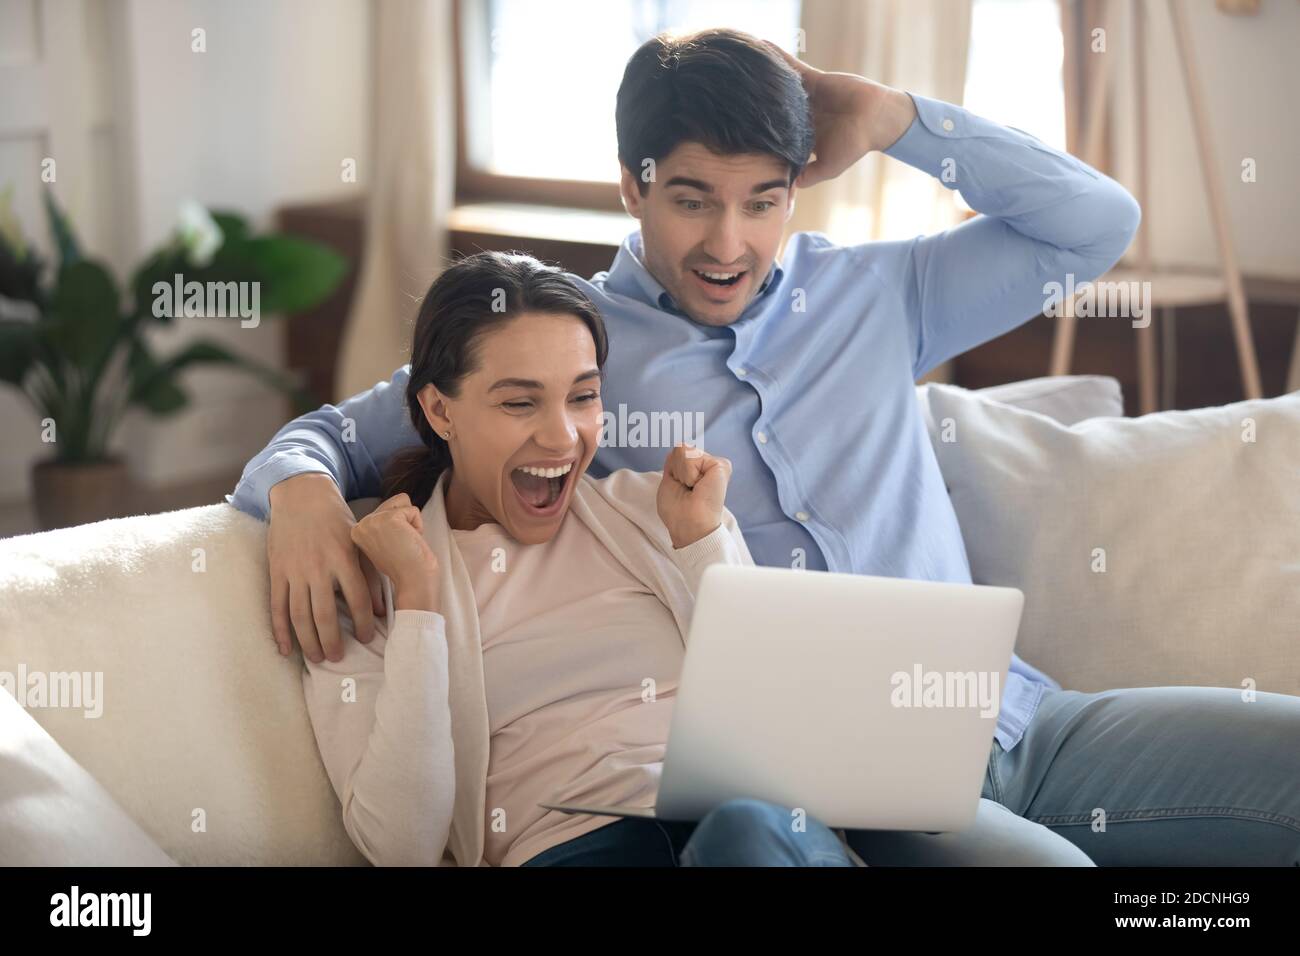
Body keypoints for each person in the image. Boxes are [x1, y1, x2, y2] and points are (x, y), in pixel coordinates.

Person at [235, 30, 1299, 865]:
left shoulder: (880, 292)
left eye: (763, 200)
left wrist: (895, 119)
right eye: (691, 199)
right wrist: (298, 496)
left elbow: (1093, 224)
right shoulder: (573, 359)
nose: (727, 243)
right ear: (631, 184)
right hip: (848, 775)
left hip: (1019, 712)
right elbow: (342, 432)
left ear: (799, 187)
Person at [300, 250, 857, 866]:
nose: (563, 436)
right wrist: (419, 607)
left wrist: (702, 547)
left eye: (583, 396)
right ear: (439, 411)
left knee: (745, 832)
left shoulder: (666, 517)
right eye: (520, 403)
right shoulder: (378, 581)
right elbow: (402, 847)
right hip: (576, 851)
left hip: (741, 830)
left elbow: (784, 728)